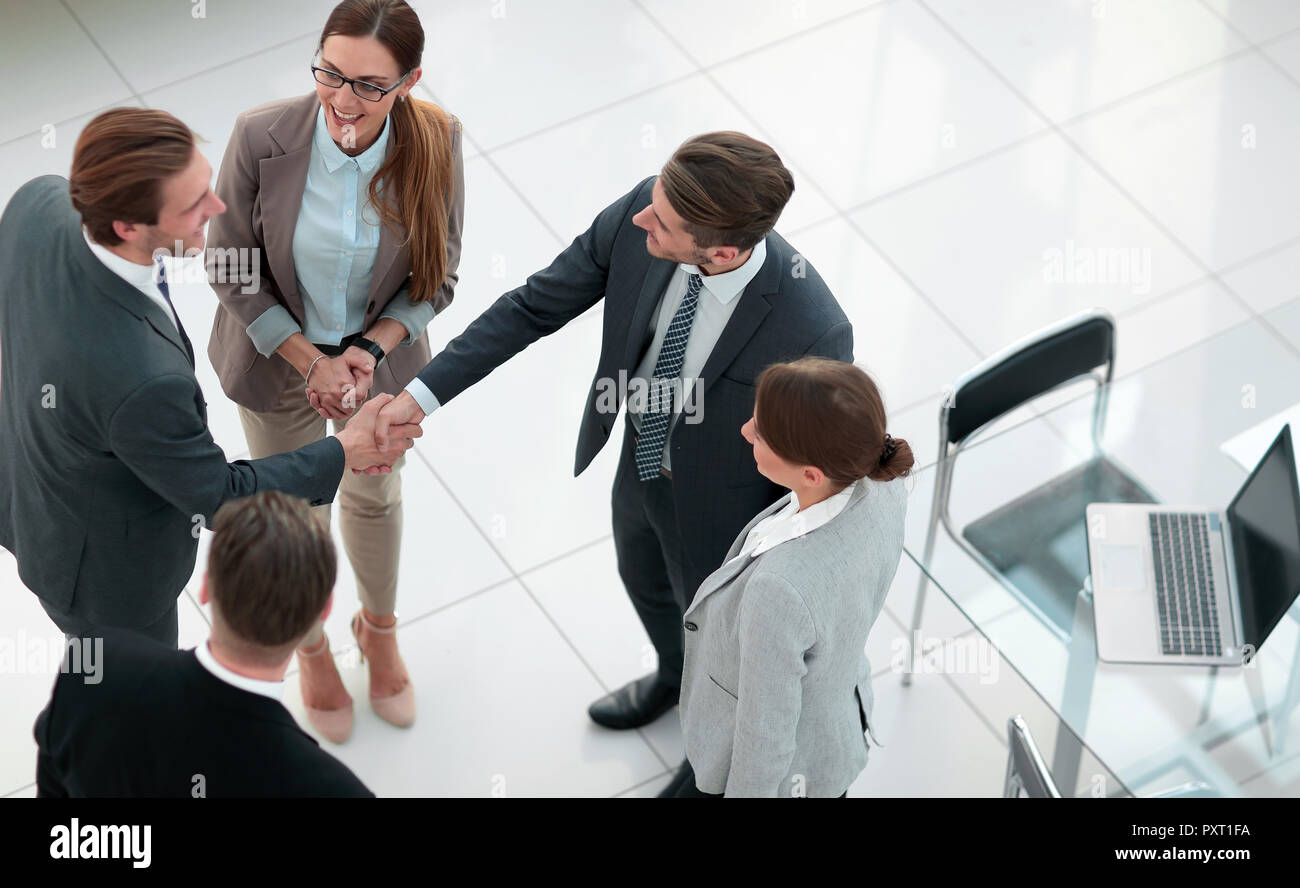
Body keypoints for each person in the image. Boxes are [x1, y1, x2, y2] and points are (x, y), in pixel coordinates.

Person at [371, 131, 853, 792]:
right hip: (642, 460)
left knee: (723, 652)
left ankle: (705, 756)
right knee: (644, 578)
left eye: (663, 220)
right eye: (653, 198)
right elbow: (532, 307)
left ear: (722, 251)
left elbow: (821, 482)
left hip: (729, 515)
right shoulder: (648, 212)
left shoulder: (813, 329)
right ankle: (669, 676)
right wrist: (418, 397)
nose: (640, 219)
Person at [0, 108, 418, 650]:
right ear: (127, 227)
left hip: (34, 486)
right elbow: (218, 495)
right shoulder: (143, 379)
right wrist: (345, 452)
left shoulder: (41, 201)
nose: (217, 208)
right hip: (103, 576)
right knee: (131, 705)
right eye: (194, 205)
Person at [205, 0, 464, 741]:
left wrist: (370, 351)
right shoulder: (261, 136)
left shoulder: (437, 142)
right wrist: (308, 360)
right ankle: (311, 645)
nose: (344, 101)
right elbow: (227, 262)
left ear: (411, 81)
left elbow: (436, 279)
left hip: (376, 363)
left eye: (371, 86)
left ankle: (377, 629)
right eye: (330, 74)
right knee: (296, 510)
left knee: (376, 499)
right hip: (275, 358)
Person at [673, 358, 913, 797]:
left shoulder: (778, 591)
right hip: (835, 724)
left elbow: (765, 738)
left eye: (762, 433)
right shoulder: (883, 482)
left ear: (810, 474)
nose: (746, 430)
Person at [34, 491, 375, 798]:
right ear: (322, 611)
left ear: (207, 586)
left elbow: (54, 781)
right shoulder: (330, 787)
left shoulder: (98, 670)